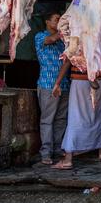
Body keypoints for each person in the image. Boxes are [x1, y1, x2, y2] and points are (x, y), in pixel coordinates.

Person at [50, 56, 101, 169]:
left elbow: (68, 61)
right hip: (100, 81)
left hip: (80, 81)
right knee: (97, 116)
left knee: (76, 117)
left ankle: (68, 159)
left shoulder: (77, 38)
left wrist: (57, 83)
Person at [35, 11, 70, 165]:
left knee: (61, 119)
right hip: (48, 85)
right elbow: (49, 40)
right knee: (47, 120)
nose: (59, 21)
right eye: (57, 20)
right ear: (47, 22)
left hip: (64, 84)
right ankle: (46, 153)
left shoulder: (63, 41)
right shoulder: (40, 37)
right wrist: (64, 31)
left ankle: (57, 149)